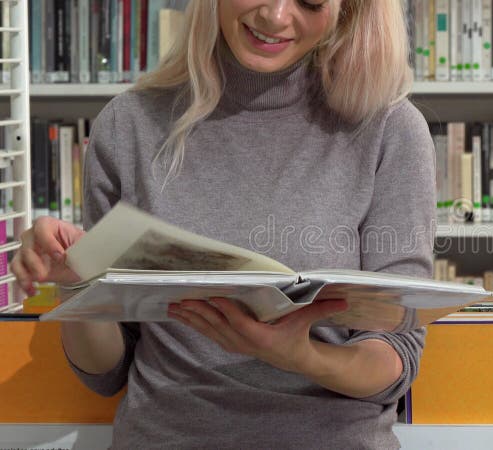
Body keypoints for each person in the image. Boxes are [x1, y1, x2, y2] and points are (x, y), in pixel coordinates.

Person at [10, 0, 435, 448]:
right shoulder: (129, 125)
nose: (275, 16)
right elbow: (104, 372)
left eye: (309, 1)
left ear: (347, 11)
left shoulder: (390, 130)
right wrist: (79, 282)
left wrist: (301, 356)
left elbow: (395, 361)